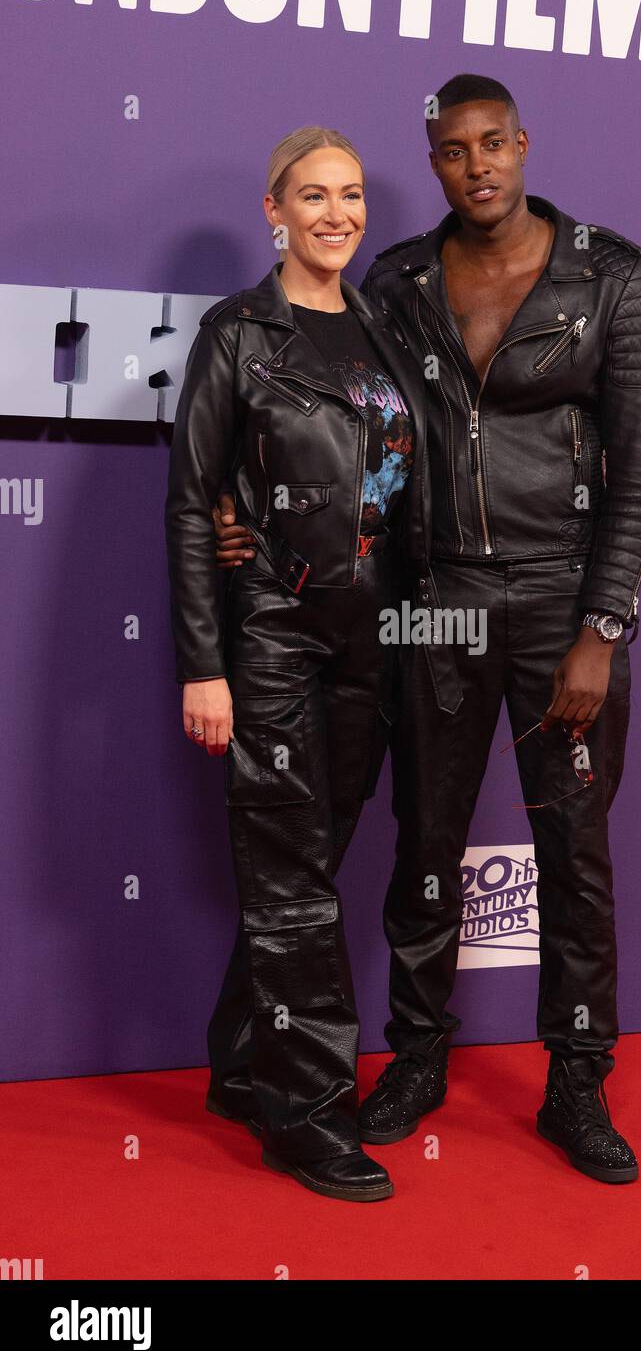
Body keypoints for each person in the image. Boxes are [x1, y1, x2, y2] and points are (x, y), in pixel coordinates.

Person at [213, 74, 641, 1185]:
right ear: (434, 165)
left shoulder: (608, 272)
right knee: (426, 844)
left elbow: (638, 467)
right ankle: (416, 1060)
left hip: (562, 598)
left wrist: (599, 627)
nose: (477, 167)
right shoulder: (398, 279)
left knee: (573, 848)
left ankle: (574, 1081)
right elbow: (333, 421)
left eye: (492, 144)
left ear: (521, 143)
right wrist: (246, 517)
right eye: (453, 152)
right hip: (436, 602)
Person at [164, 126, 426, 1202]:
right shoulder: (237, 334)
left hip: (368, 642)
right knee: (292, 889)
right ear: (274, 209)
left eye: (352, 195)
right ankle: (306, 1115)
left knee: (304, 864)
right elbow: (193, 505)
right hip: (269, 632)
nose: (337, 214)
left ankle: (243, 1068)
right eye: (313, 195)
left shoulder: (377, 326)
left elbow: (399, 490)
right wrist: (204, 662)